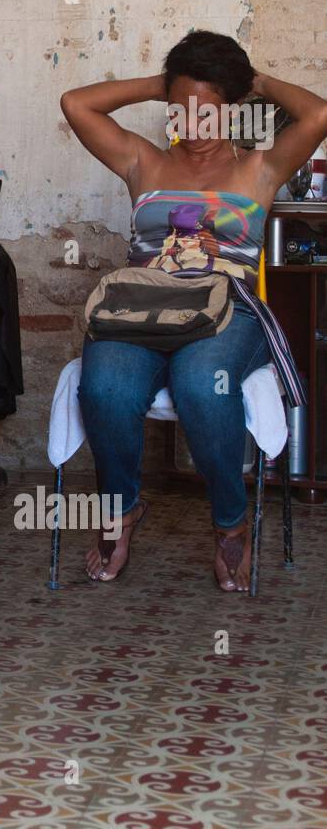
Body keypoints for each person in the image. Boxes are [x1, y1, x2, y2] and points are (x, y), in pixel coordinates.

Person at [60, 30, 327, 590]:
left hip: (230, 308)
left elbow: (319, 113)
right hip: (142, 307)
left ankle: (230, 523)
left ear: (233, 109)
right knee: (106, 386)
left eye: (209, 111)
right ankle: (122, 511)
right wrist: (166, 83)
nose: (195, 123)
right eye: (182, 109)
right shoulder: (143, 161)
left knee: (204, 383)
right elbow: (75, 103)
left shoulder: (261, 168)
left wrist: (255, 82)